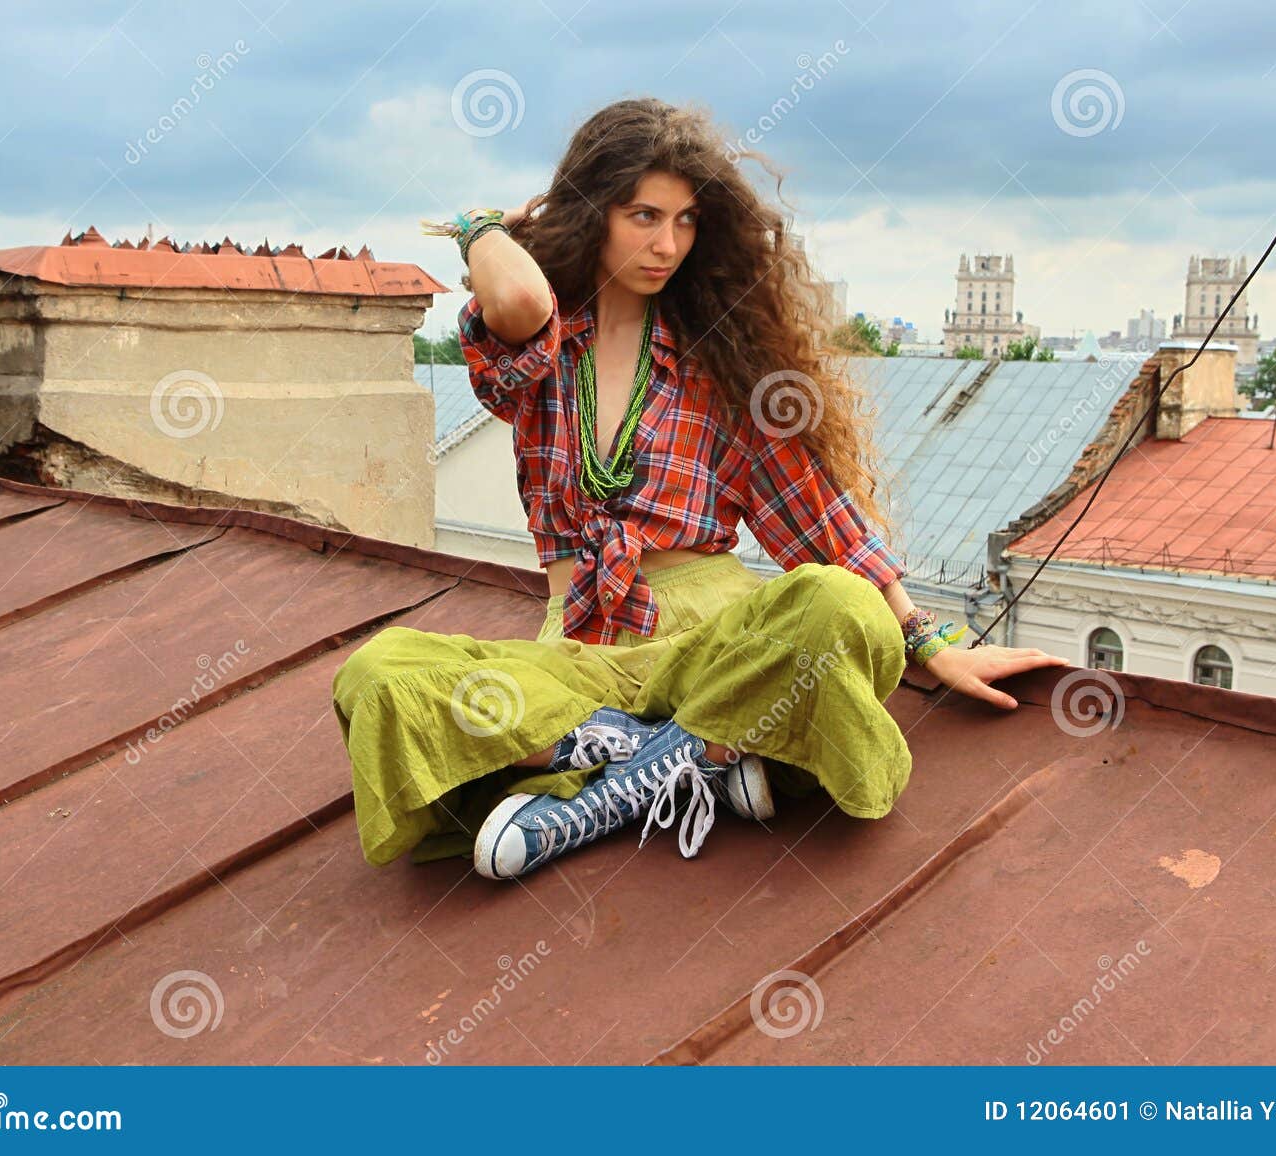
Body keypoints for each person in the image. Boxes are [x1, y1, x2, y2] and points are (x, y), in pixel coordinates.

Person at [332, 97, 1067, 881]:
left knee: (839, 607)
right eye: (644, 215)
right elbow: (516, 299)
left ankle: (616, 785)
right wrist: (482, 227)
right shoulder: (544, 351)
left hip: (713, 645)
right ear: (594, 214)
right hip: (582, 660)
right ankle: (680, 756)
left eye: (685, 221)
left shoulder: (720, 366)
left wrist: (928, 643)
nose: (667, 244)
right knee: (378, 676)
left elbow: (824, 523)